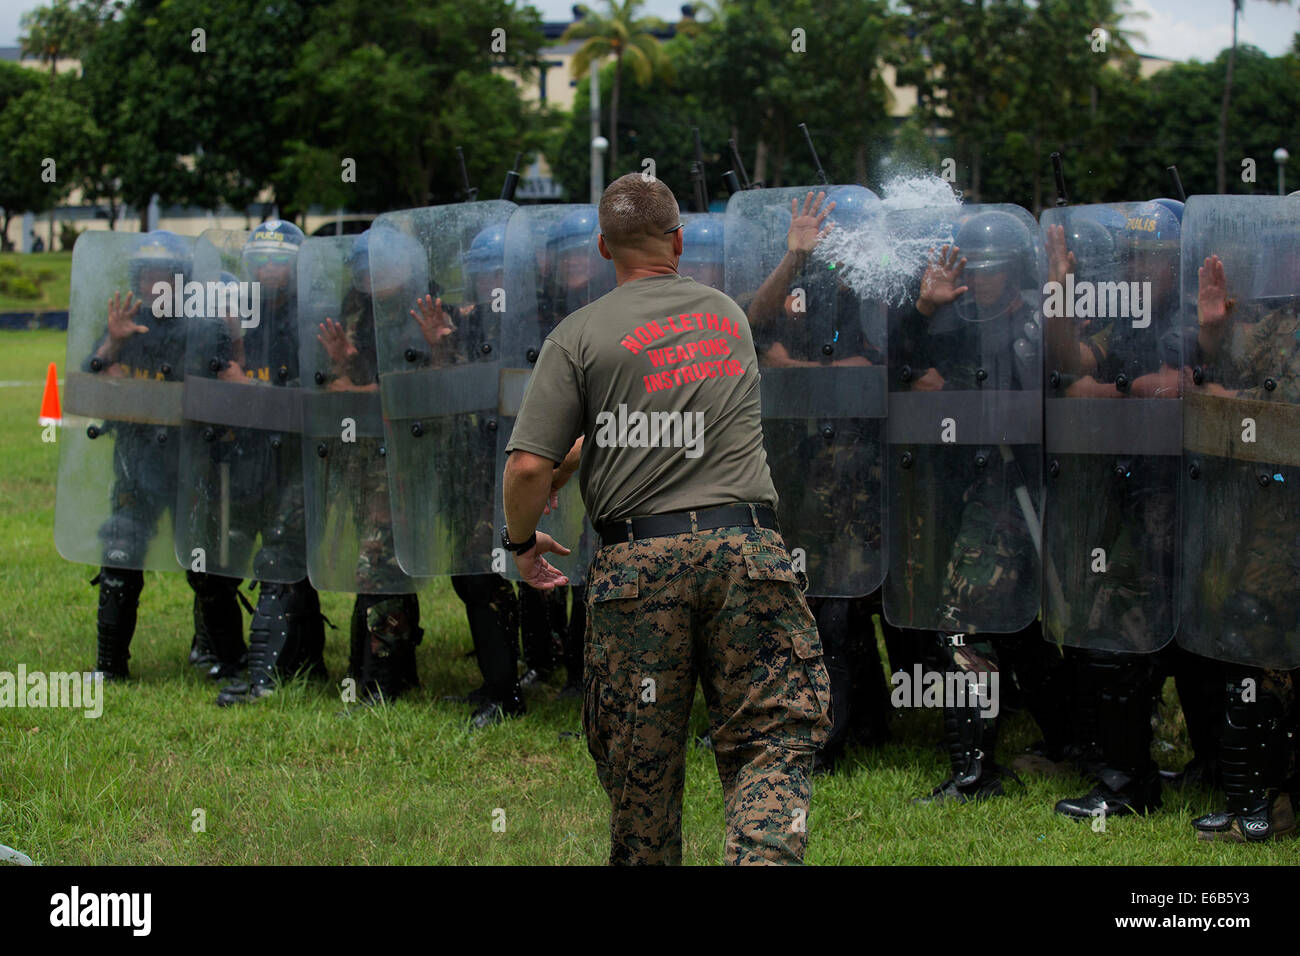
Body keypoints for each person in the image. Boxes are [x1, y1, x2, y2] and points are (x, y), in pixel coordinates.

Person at [500, 172, 831, 865]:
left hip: (638, 572)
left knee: (639, 771)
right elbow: (751, 316)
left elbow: (529, 467)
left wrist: (523, 543)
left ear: (601, 247)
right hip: (747, 553)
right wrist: (794, 256)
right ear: (679, 241)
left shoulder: (579, 335)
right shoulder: (726, 320)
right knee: (770, 739)